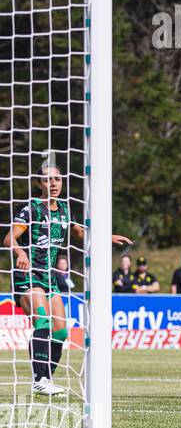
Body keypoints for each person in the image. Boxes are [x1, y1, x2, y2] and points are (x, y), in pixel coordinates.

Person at [3, 164, 130, 395]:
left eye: (57, 179)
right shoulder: (31, 208)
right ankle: (39, 379)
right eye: (47, 180)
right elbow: (9, 237)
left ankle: (45, 380)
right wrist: (20, 252)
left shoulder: (64, 209)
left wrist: (106, 236)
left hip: (49, 277)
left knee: (61, 330)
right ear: (39, 184)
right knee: (43, 323)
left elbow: (80, 233)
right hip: (28, 276)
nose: (53, 184)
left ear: (62, 182)